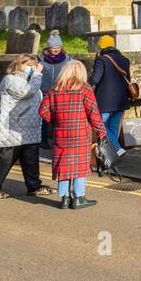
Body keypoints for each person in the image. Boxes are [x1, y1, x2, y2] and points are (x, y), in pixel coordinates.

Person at [38, 60, 106, 210]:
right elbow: (94, 114)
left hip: (61, 134)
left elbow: (42, 110)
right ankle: (79, 198)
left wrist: (55, 121)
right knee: (79, 167)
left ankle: (65, 199)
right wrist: (101, 131)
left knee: (64, 167)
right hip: (80, 134)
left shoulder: (55, 89)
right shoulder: (84, 89)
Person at [0, 55, 52, 199]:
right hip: (9, 129)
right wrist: (37, 75)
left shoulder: (31, 81)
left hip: (29, 130)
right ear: (18, 65)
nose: (33, 68)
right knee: (5, 160)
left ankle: (34, 186)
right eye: (30, 65)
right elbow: (26, 92)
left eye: (35, 65)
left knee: (31, 160)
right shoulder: (11, 79)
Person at [88, 35, 132, 155]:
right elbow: (128, 79)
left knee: (100, 126)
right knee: (112, 127)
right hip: (121, 100)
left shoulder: (102, 60)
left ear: (101, 47)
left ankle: (116, 149)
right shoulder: (124, 60)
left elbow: (95, 79)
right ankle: (114, 151)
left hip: (105, 101)